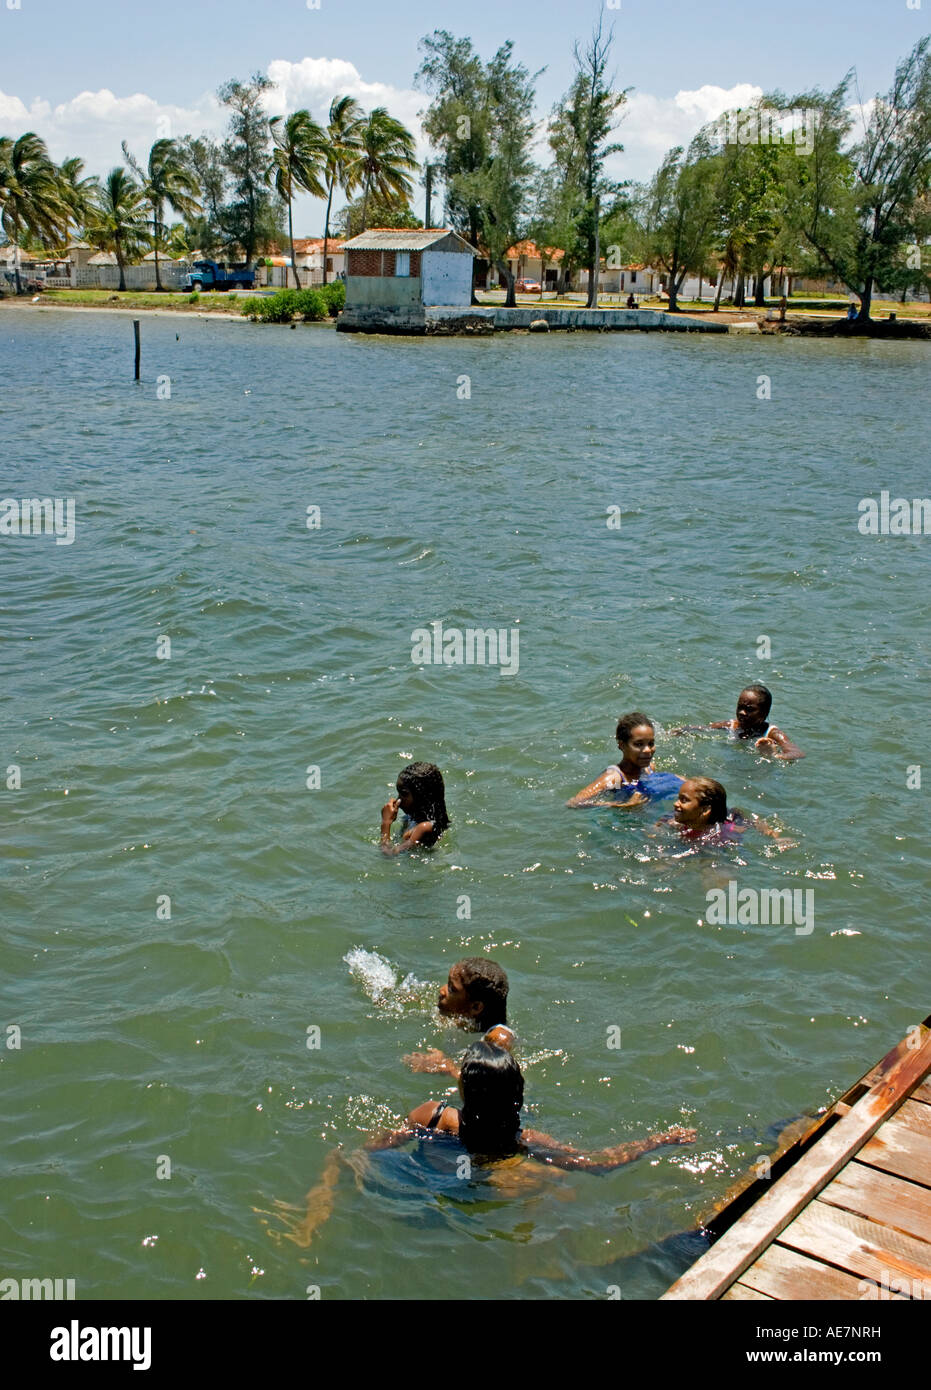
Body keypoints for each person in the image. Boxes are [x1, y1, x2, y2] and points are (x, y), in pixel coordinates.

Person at [274, 1043, 698, 1247]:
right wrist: (657, 1141)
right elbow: (598, 1164)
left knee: (341, 1159)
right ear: (519, 1097)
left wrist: (336, 1175)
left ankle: (318, 1206)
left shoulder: (433, 1117)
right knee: (549, 1185)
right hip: (468, 1209)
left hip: (416, 1190)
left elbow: (366, 1150)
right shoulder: (522, 1140)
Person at [405, 957, 510, 1076]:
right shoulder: (464, 1019)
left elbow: (495, 1082)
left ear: (475, 1007)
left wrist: (446, 1067)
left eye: (452, 989)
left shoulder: (499, 1038)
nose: (442, 991)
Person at [567, 712, 682, 809]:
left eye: (651, 743)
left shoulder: (648, 768)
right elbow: (574, 803)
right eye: (638, 744)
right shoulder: (614, 778)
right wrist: (622, 805)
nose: (647, 750)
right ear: (622, 745)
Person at [670, 684, 804, 760]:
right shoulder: (732, 725)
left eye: (749, 709)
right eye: (740, 707)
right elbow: (703, 728)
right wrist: (680, 731)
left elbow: (797, 753)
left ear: (764, 713)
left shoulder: (771, 734)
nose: (742, 712)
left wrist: (775, 755)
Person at [661, 776, 794, 847]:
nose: (675, 804)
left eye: (683, 800)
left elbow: (755, 823)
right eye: (678, 798)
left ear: (705, 809)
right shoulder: (673, 820)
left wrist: (774, 836)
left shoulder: (722, 835)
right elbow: (658, 827)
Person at [380, 761, 450, 853]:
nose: (398, 800)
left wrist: (386, 823)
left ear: (422, 797)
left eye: (404, 794)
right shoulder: (411, 818)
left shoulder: (424, 828)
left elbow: (389, 855)